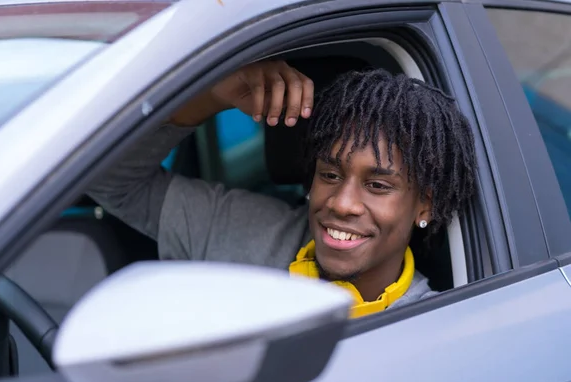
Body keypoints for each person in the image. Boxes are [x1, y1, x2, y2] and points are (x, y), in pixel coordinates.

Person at [88, 60, 477, 318]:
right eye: (330, 175)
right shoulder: (238, 228)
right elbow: (109, 182)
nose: (342, 204)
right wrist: (206, 99)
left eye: (377, 185)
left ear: (424, 206)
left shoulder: (437, 328)